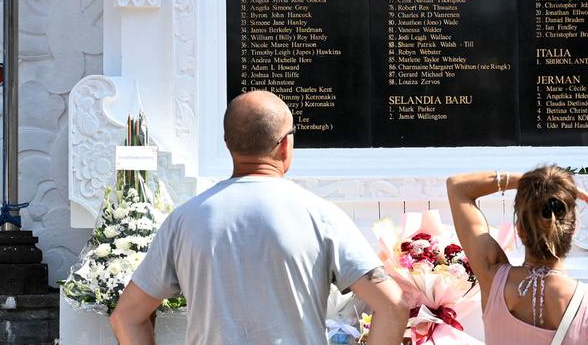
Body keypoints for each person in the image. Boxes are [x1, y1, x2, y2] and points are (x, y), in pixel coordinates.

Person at [109, 91, 406, 345]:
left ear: (227, 144)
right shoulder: (321, 217)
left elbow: (127, 317)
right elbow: (392, 305)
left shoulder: (184, 221)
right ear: (285, 145)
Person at [447, 165, 588, 345]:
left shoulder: (493, 277)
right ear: (573, 229)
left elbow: (458, 186)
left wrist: (532, 182)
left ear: (519, 229)